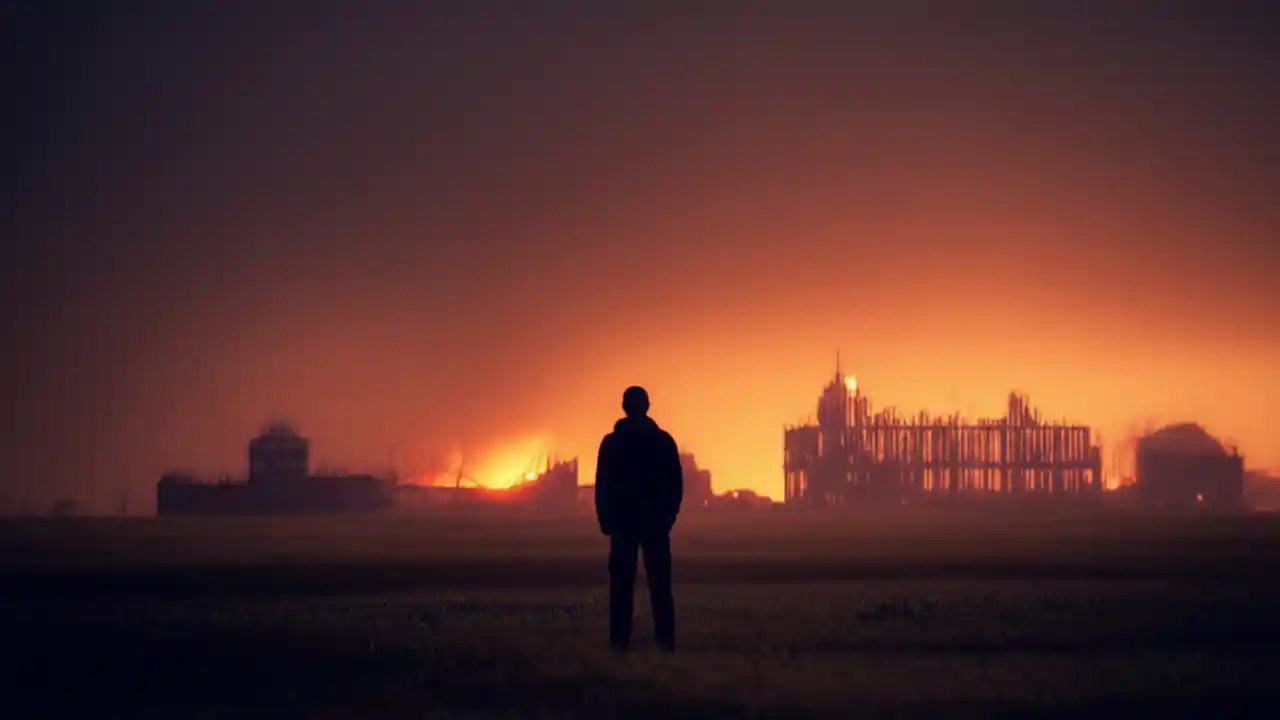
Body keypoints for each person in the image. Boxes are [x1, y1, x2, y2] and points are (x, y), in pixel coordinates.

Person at [595, 385, 683, 653]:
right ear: (648, 406)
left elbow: (603, 484)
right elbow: (675, 485)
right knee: (660, 588)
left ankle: (619, 643)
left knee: (621, 589)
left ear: (624, 407)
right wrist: (668, 517)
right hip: (655, 524)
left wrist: (606, 519)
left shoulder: (612, 443)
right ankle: (665, 643)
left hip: (623, 524)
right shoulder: (663, 442)